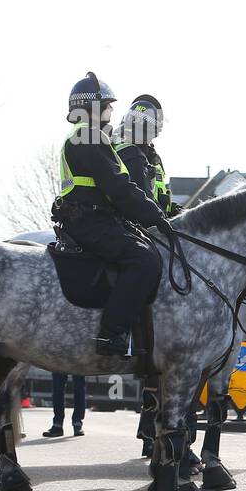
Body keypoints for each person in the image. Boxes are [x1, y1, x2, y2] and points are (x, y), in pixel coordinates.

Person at [52, 72, 172, 357]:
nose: (112, 111)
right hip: (91, 220)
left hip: (92, 217)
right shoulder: (88, 136)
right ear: (94, 107)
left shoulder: (87, 136)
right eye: (108, 105)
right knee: (144, 260)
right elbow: (118, 187)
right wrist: (155, 216)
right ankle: (111, 334)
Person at [113, 95, 179, 216]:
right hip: (139, 225)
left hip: (155, 219)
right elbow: (141, 199)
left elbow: (156, 196)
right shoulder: (128, 153)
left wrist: (175, 210)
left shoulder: (154, 159)